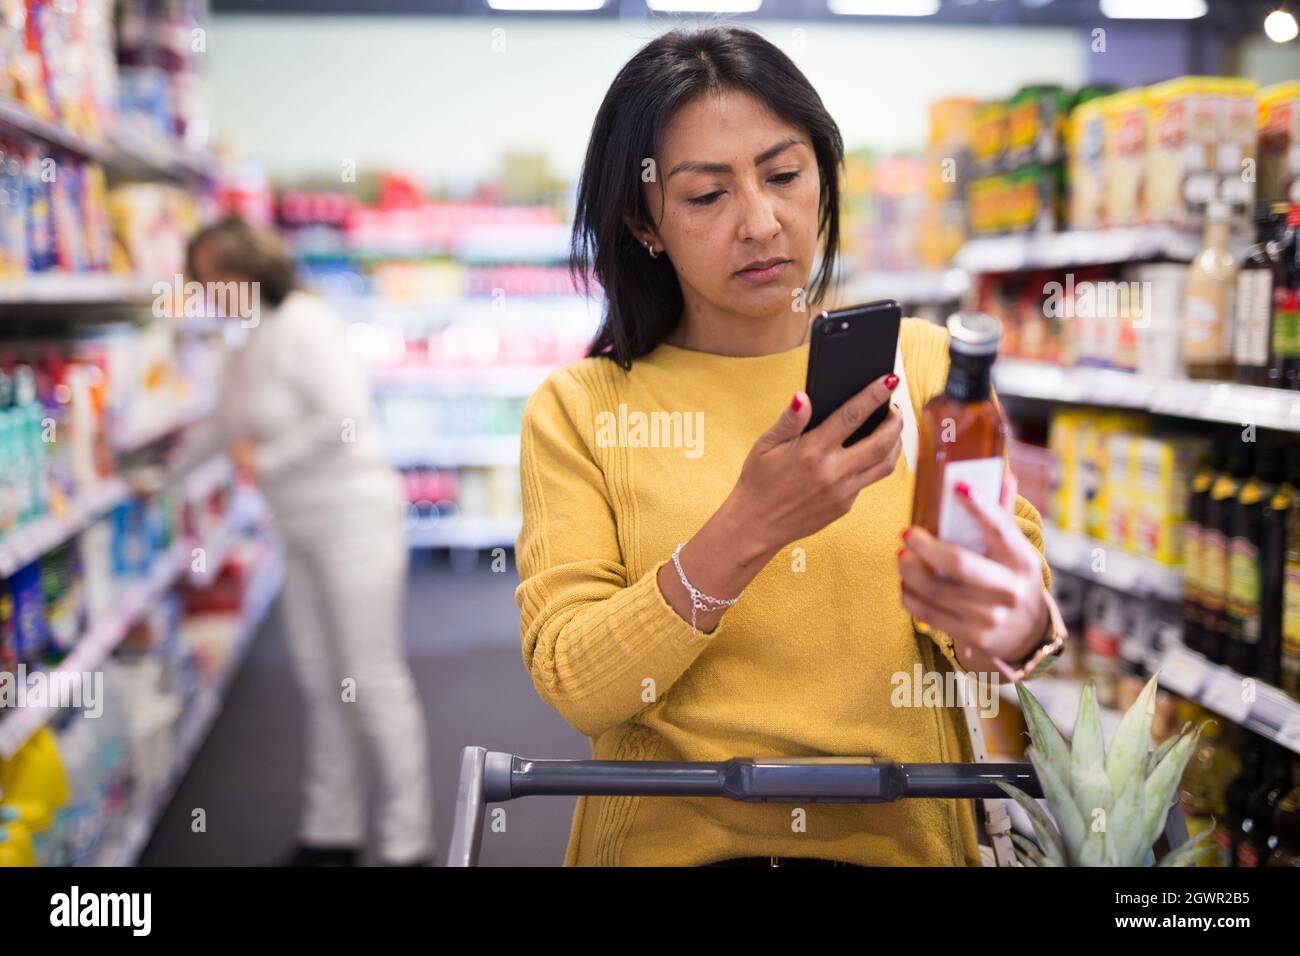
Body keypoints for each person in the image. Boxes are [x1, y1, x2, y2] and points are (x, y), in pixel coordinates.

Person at [514, 25, 1066, 867]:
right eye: (707, 197)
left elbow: (1007, 625)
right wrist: (751, 525)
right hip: (670, 848)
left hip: (904, 844)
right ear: (643, 221)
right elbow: (580, 688)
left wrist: (1017, 622)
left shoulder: (922, 367)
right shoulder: (583, 408)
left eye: (784, 176)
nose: (762, 222)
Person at [177, 217, 434, 866]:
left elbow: (343, 420)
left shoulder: (304, 326)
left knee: (371, 678)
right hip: (299, 530)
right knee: (324, 681)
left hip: (354, 520)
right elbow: (219, 428)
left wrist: (262, 461)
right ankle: (332, 830)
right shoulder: (245, 344)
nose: (206, 293)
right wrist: (144, 470)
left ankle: (409, 842)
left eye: (212, 279)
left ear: (244, 271)